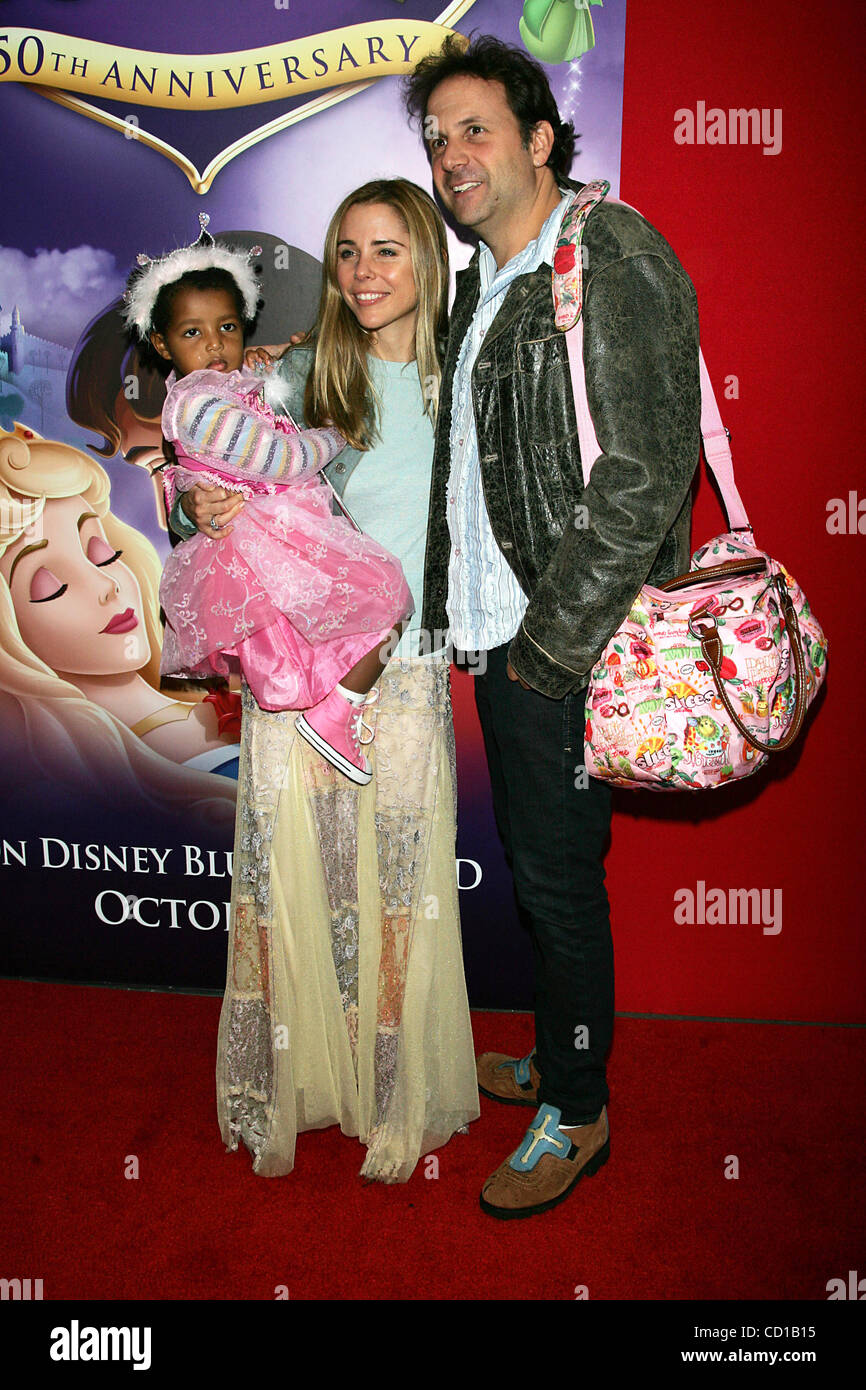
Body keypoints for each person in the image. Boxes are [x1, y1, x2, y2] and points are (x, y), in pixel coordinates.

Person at [403, 36, 701, 1218]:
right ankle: (558, 1054)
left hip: (561, 643)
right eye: (435, 138)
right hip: (502, 632)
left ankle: (575, 1110)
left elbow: (643, 471)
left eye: (474, 129)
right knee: (541, 874)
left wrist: (546, 649)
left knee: (558, 883)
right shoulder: (488, 276)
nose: (450, 156)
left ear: (538, 139)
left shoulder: (608, 251)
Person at [172, 179, 479, 1182]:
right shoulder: (298, 375)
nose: (363, 271)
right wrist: (197, 507)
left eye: (388, 250)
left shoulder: (466, 374)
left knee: (397, 892)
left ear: (428, 260)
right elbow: (194, 460)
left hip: (404, 666)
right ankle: (287, 1090)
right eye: (346, 252)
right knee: (287, 879)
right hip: (291, 670)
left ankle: (390, 1101)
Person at [123, 217, 412, 785]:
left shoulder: (227, 385)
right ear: (160, 343)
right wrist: (334, 436)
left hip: (273, 540)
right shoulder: (201, 403)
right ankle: (331, 721)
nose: (214, 345)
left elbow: (234, 430)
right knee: (386, 597)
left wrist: (271, 360)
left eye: (227, 327)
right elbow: (277, 460)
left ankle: (330, 723)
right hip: (267, 542)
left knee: (311, 645)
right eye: (192, 334)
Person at [0, 424, 240, 813]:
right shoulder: (65, 781)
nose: (107, 584)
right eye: (51, 586)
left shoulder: (218, 686)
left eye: (101, 552)